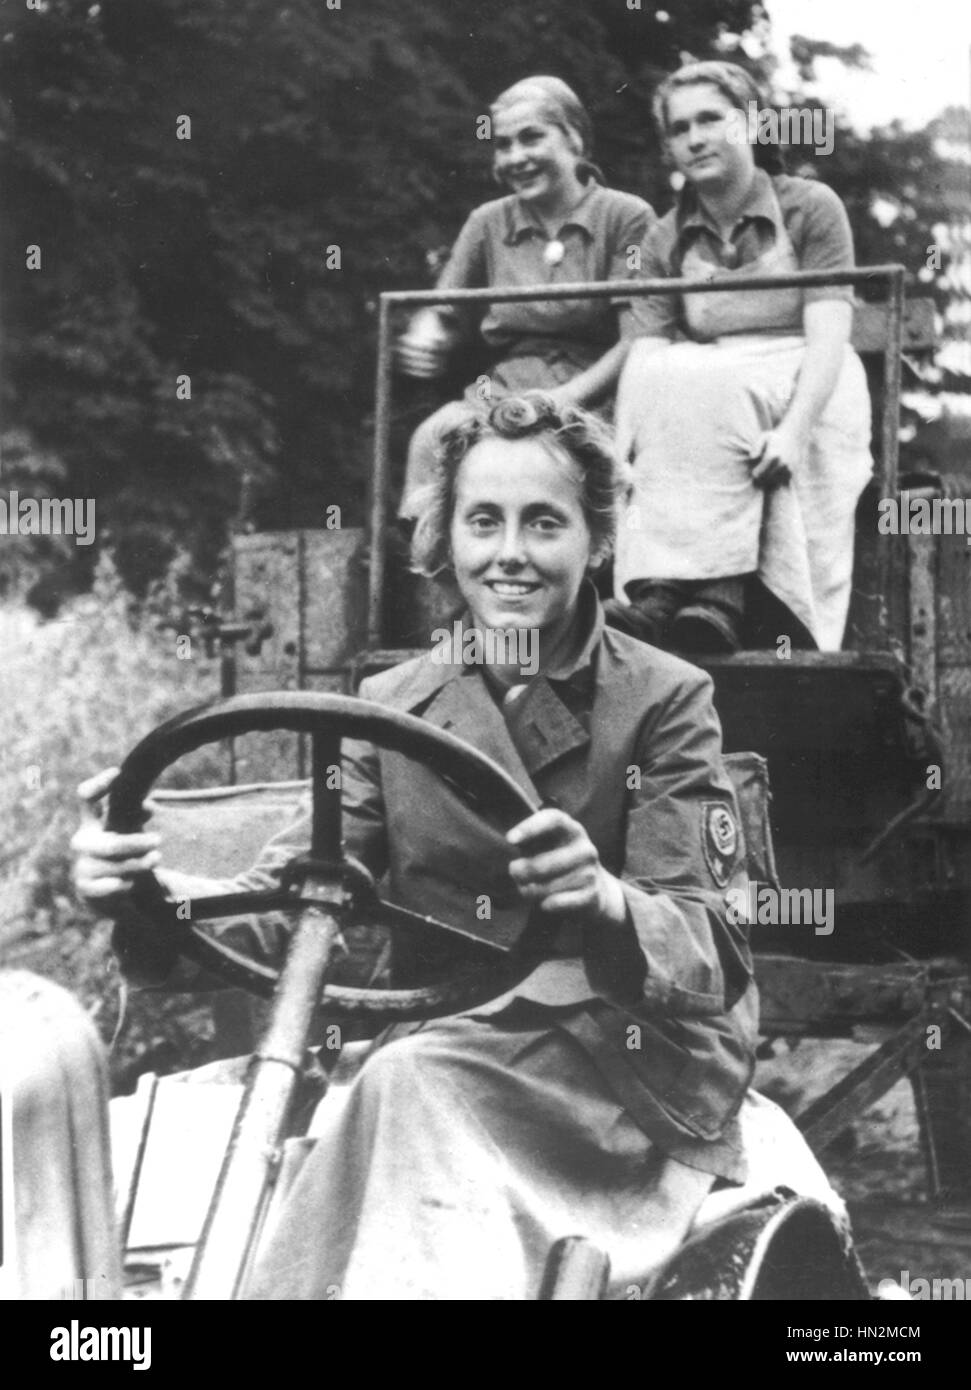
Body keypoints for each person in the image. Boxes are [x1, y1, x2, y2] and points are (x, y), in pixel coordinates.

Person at [72, 395, 840, 1301]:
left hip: (621, 1061)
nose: (509, 552)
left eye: (543, 522)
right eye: (484, 521)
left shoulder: (664, 698)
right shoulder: (386, 704)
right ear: (447, 539)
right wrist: (145, 892)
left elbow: (707, 945)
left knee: (403, 1083)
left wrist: (602, 897)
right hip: (444, 1039)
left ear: (594, 542)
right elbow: (302, 909)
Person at [607, 62, 873, 654]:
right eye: (680, 129)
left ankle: (720, 594)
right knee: (674, 375)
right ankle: (660, 596)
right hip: (715, 382)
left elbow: (830, 331)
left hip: (808, 377)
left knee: (713, 385)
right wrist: (622, 453)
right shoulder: (664, 238)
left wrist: (796, 433)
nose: (695, 138)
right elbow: (644, 354)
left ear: (751, 122)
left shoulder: (811, 207)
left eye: (710, 119)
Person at [396, 75, 654, 521]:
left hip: (598, 390)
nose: (516, 157)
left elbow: (636, 338)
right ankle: (426, 577)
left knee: (548, 462)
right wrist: (428, 331)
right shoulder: (488, 222)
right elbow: (443, 310)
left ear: (574, 139)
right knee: (431, 438)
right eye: (503, 144)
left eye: (532, 138)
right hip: (505, 386)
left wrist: (563, 399)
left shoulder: (626, 216)